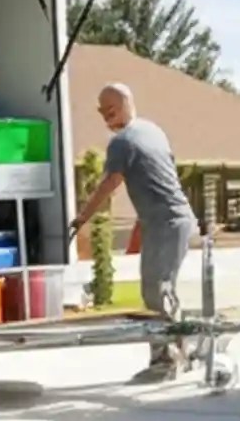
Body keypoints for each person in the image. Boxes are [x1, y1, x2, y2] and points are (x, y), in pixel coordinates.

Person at [70, 82, 198, 383]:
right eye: (102, 112)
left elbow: (110, 183)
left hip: (166, 221)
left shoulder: (123, 142)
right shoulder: (153, 130)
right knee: (161, 290)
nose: (106, 118)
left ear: (127, 102)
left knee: (156, 292)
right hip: (171, 220)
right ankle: (181, 351)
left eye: (111, 110)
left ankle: (167, 360)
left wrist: (82, 217)